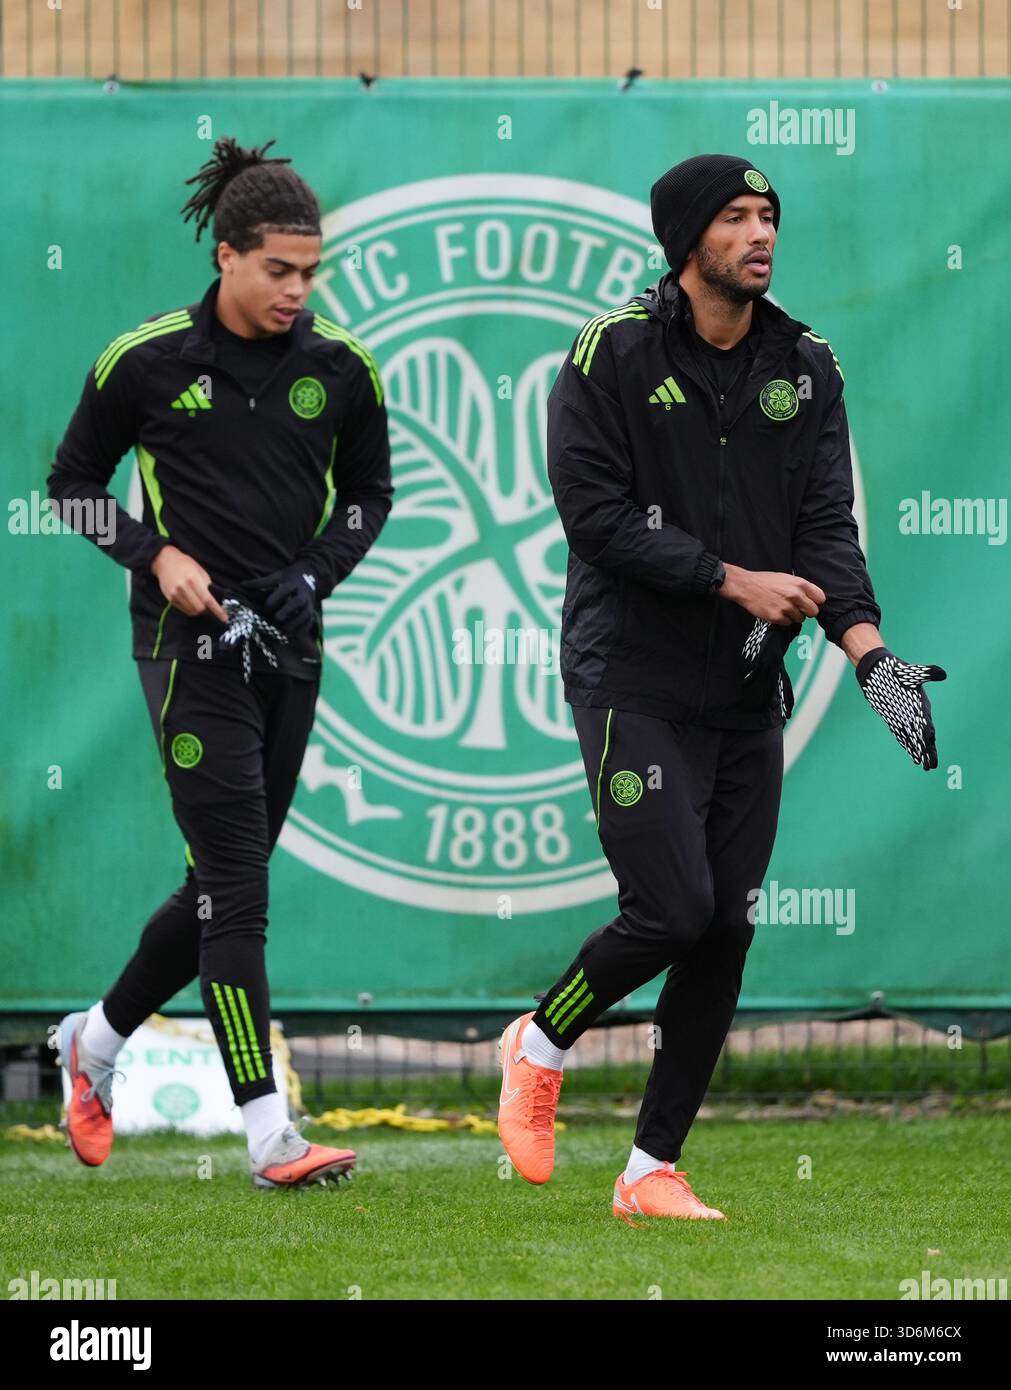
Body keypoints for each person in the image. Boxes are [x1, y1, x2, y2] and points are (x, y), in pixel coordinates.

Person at [497, 153, 946, 1221]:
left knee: (727, 927)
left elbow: (826, 531)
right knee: (674, 905)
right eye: (737, 218)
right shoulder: (611, 354)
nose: (761, 234)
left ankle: (650, 1167)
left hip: (747, 691)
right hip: (630, 677)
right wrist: (730, 579)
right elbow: (593, 519)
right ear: (686, 239)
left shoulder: (808, 364)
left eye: (770, 216)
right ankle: (542, 1035)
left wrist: (868, 650)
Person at [46, 136, 394, 1189]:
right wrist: (156, 553)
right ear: (227, 258)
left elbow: (373, 498)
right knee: (239, 891)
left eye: (311, 272)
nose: (298, 291)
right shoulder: (144, 361)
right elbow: (70, 484)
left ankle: (93, 1043)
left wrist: (318, 573)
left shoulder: (342, 370)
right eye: (279, 270)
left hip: (291, 650)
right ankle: (270, 1134)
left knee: (215, 886)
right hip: (183, 651)